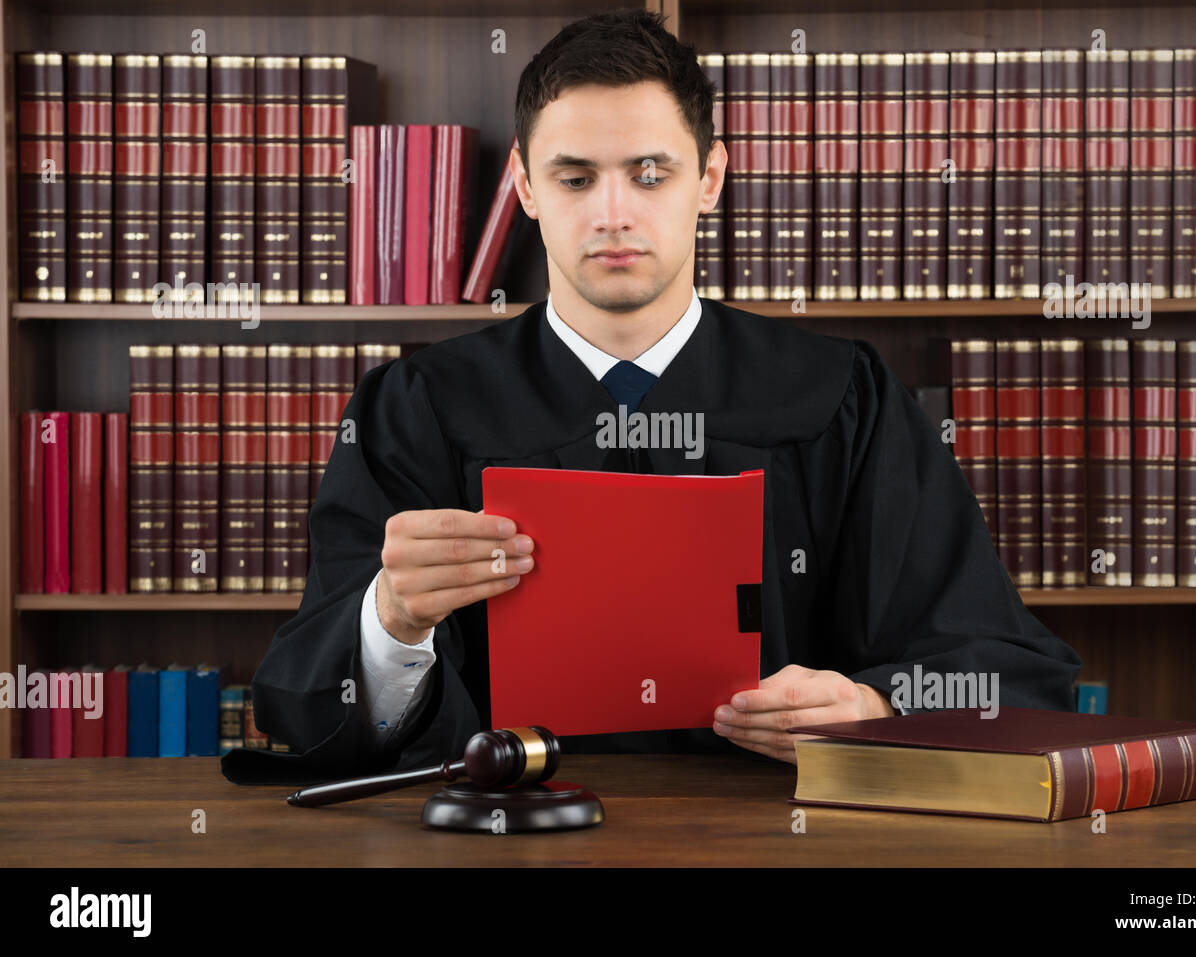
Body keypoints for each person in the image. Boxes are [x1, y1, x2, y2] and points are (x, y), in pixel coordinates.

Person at [221, 10, 1081, 786]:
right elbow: (305, 701)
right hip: (500, 843)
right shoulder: (417, 405)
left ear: (710, 178)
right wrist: (393, 621)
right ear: (522, 185)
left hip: (786, 842)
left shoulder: (839, 395)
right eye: (574, 177)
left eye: (649, 172)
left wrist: (874, 707)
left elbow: (1001, 661)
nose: (612, 214)